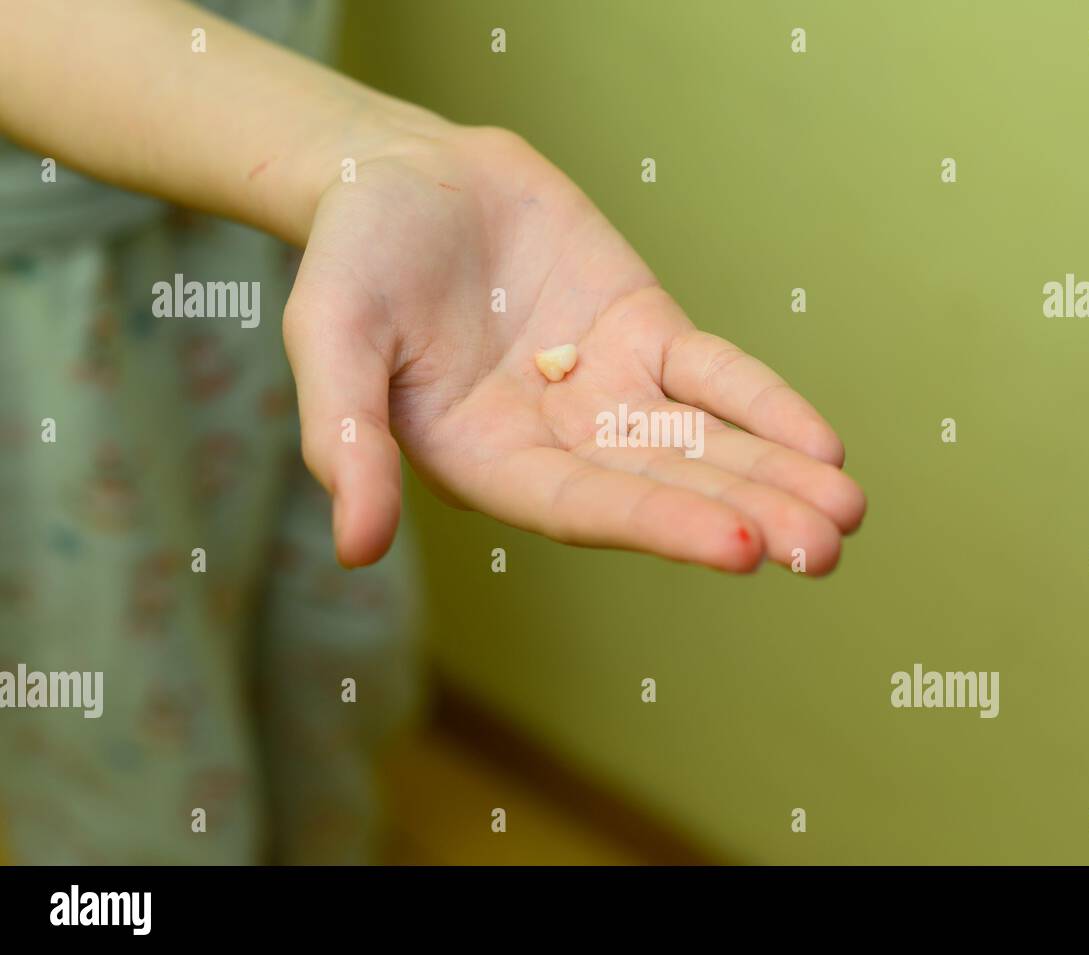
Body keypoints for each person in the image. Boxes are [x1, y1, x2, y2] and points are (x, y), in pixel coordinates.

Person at [0, 0, 864, 864]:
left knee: (327, 663)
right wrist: (369, 153)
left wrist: (377, 157)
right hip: (62, 311)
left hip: (285, 219)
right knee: (137, 739)